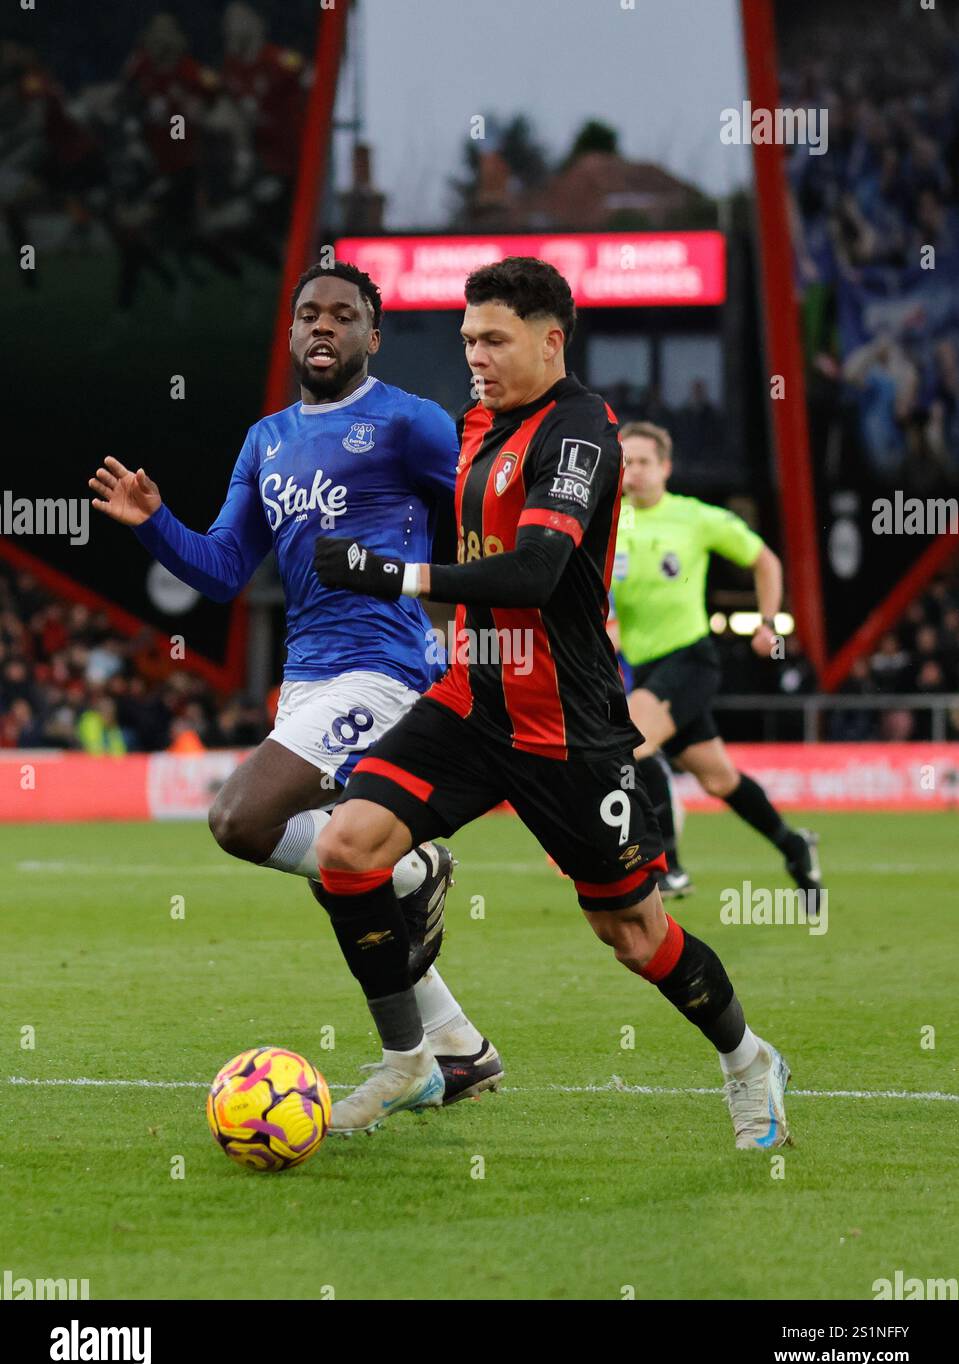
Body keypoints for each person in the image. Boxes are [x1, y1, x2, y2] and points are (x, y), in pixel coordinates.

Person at [311, 256, 792, 1149]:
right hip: (470, 697)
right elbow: (466, 552)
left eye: (493, 339)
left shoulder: (579, 434)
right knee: (346, 849)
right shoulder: (472, 428)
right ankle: (413, 1059)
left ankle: (747, 1059)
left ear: (549, 340)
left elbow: (535, 573)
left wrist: (393, 574)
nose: (475, 356)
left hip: (563, 726)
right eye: (466, 339)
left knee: (632, 933)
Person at [88, 259, 501, 1104]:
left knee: (238, 818)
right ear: (289, 333)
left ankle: (417, 888)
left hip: (382, 670)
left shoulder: (411, 423)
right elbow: (221, 570)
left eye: (343, 315)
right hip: (306, 682)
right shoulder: (265, 440)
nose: (323, 326)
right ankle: (455, 1050)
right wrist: (154, 523)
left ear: (371, 336)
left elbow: (479, 509)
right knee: (343, 873)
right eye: (309, 314)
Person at [610, 422, 823, 904]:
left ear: (666, 467)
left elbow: (765, 560)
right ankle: (794, 844)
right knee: (719, 778)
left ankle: (669, 865)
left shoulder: (696, 518)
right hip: (646, 669)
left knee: (630, 745)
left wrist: (768, 623)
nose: (635, 472)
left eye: (645, 462)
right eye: (628, 461)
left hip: (690, 660)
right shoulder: (610, 521)